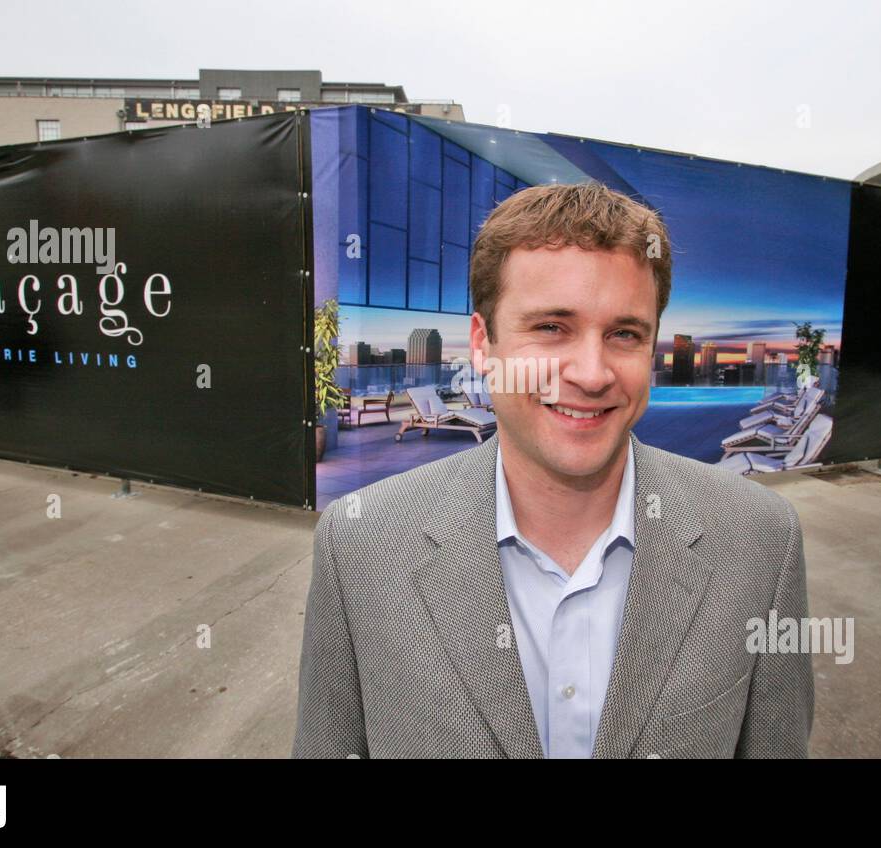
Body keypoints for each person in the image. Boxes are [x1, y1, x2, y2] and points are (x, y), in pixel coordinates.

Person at [293, 181, 813, 758]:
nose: (592, 374)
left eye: (623, 334)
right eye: (550, 328)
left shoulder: (761, 543)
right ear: (483, 344)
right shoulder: (361, 544)